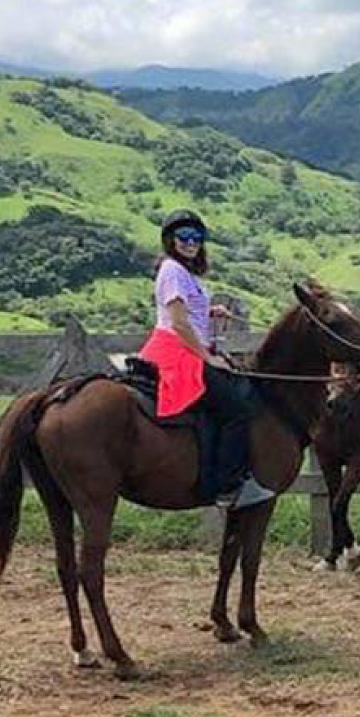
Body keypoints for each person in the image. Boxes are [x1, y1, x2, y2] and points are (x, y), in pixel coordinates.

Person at [136, 209, 276, 510]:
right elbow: (179, 323)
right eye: (183, 237)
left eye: (196, 237)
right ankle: (228, 486)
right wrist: (207, 359)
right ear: (170, 241)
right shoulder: (173, 270)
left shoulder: (183, 272)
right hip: (177, 350)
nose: (190, 242)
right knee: (237, 409)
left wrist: (211, 312)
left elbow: (188, 313)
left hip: (183, 346)